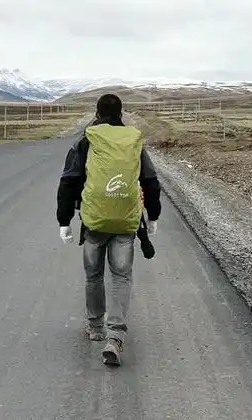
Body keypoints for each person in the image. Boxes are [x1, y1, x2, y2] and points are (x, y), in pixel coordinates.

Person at [56, 93, 162, 366]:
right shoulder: (133, 141)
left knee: (94, 275)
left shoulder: (87, 140)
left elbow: (69, 180)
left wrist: (64, 220)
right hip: (126, 221)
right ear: (121, 114)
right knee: (121, 277)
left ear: (97, 112)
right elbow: (150, 181)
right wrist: (153, 216)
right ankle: (115, 336)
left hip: (94, 221)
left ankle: (95, 327)